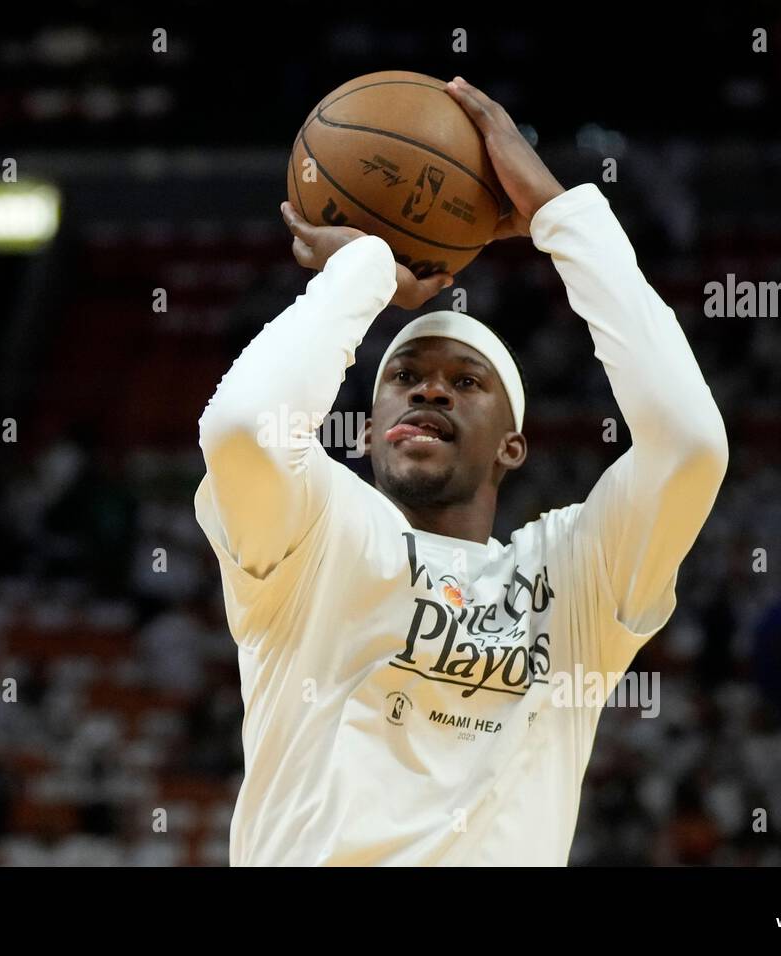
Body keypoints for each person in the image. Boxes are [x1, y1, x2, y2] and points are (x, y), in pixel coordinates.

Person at [194, 77, 728, 865]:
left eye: (465, 382)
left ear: (512, 446)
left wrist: (559, 212)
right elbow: (242, 427)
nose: (431, 387)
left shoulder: (574, 576)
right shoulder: (319, 532)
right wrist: (365, 269)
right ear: (371, 432)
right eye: (405, 377)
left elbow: (690, 443)